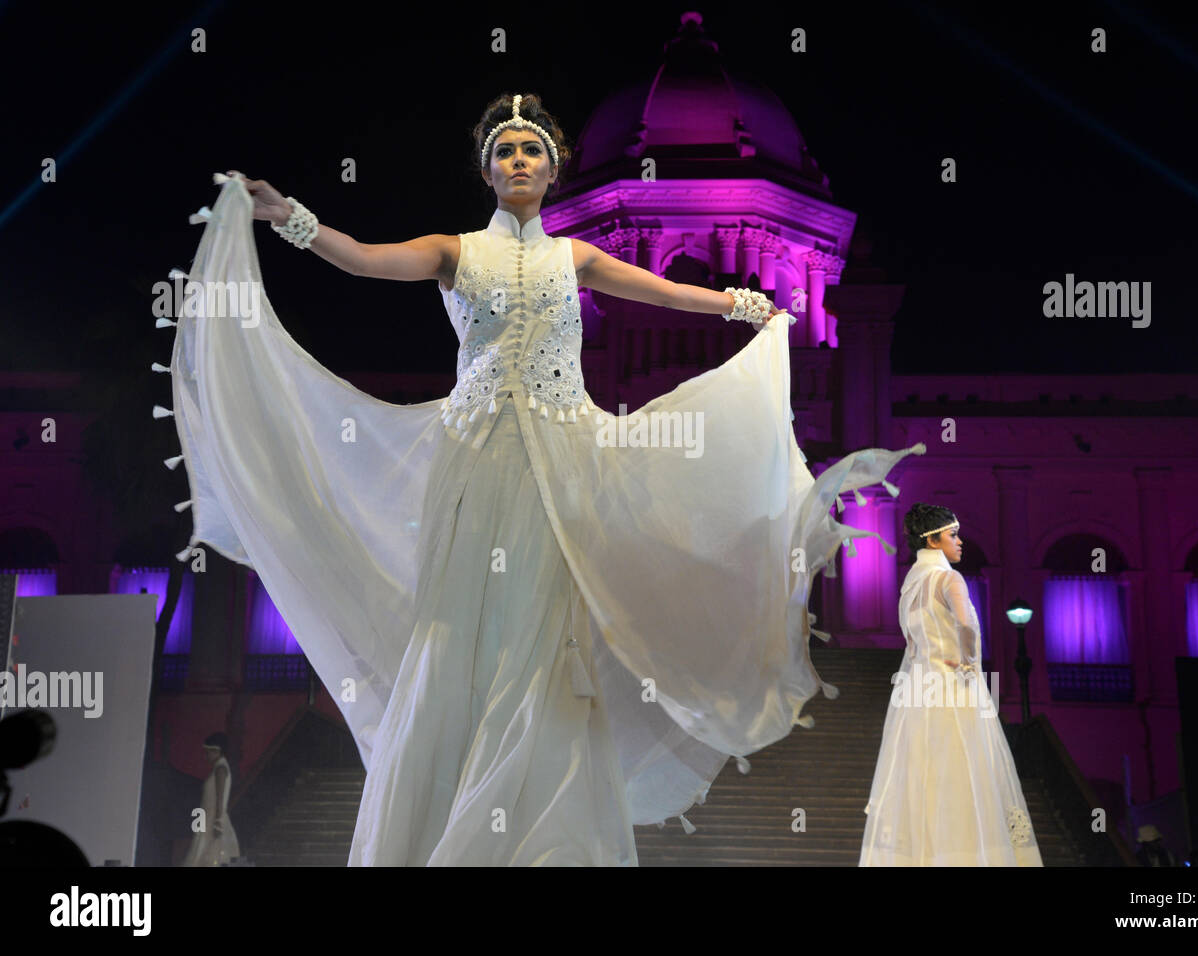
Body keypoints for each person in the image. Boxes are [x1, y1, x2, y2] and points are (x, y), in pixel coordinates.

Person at [161, 92, 925, 865]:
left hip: (563, 457)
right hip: (479, 457)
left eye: (532, 151)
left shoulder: (577, 258)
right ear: (488, 170)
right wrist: (285, 212)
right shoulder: (453, 250)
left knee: (546, 636)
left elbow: (662, 292)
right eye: (505, 151)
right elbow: (360, 257)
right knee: (463, 631)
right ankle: (452, 815)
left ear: (554, 171)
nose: (519, 161)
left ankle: (538, 827)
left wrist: (744, 305)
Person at [860, 504, 1043, 866]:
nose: (961, 542)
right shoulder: (948, 579)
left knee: (924, 774)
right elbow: (968, 626)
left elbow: (912, 645)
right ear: (932, 539)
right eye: (953, 534)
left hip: (918, 691)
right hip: (951, 685)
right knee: (965, 771)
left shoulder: (910, 585)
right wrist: (970, 662)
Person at [180, 733, 240, 866]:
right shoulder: (217, 768)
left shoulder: (221, 769)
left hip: (213, 818)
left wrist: (218, 822)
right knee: (198, 851)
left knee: (210, 853)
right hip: (205, 817)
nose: (205, 756)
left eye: (208, 752)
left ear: (216, 751)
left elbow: (220, 797)